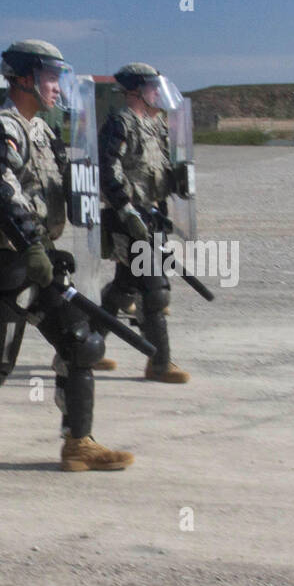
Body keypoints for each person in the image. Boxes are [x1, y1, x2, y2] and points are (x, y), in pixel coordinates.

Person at [0, 40, 134, 475]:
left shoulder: (42, 130)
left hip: (41, 256)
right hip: (8, 261)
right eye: (51, 76)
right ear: (24, 78)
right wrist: (32, 245)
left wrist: (112, 203)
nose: (58, 86)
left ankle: (78, 443)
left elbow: (60, 186)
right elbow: (0, 188)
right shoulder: (2, 127)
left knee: (81, 345)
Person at [95, 62, 189, 382]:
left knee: (124, 287)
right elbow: (108, 171)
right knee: (154, 288)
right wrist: (126, 209)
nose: (157, 93)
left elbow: (162, 170)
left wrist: (178, 185)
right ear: (135, 91)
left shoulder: (158, 125)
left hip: (150, 216)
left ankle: (84, 347)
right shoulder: (121, 123)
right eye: (151, 87)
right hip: (127, 217)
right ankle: (159, 363)